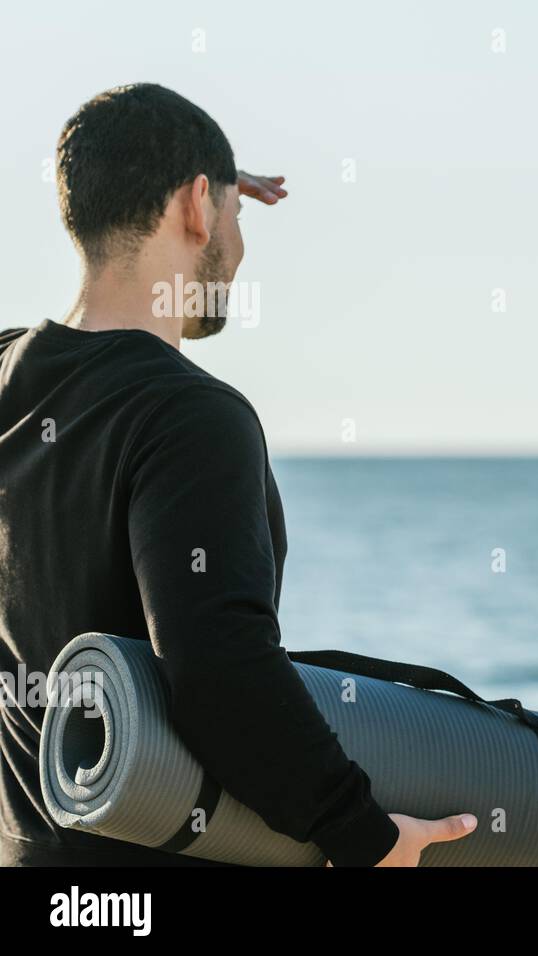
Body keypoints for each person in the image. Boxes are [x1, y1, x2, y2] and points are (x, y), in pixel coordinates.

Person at [0, 83, 475, 866]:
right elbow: (218, 665)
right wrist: (362, 832)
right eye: (238, 218)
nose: (243, 246)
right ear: (194, 208)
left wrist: (203, 177)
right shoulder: (190, 415)